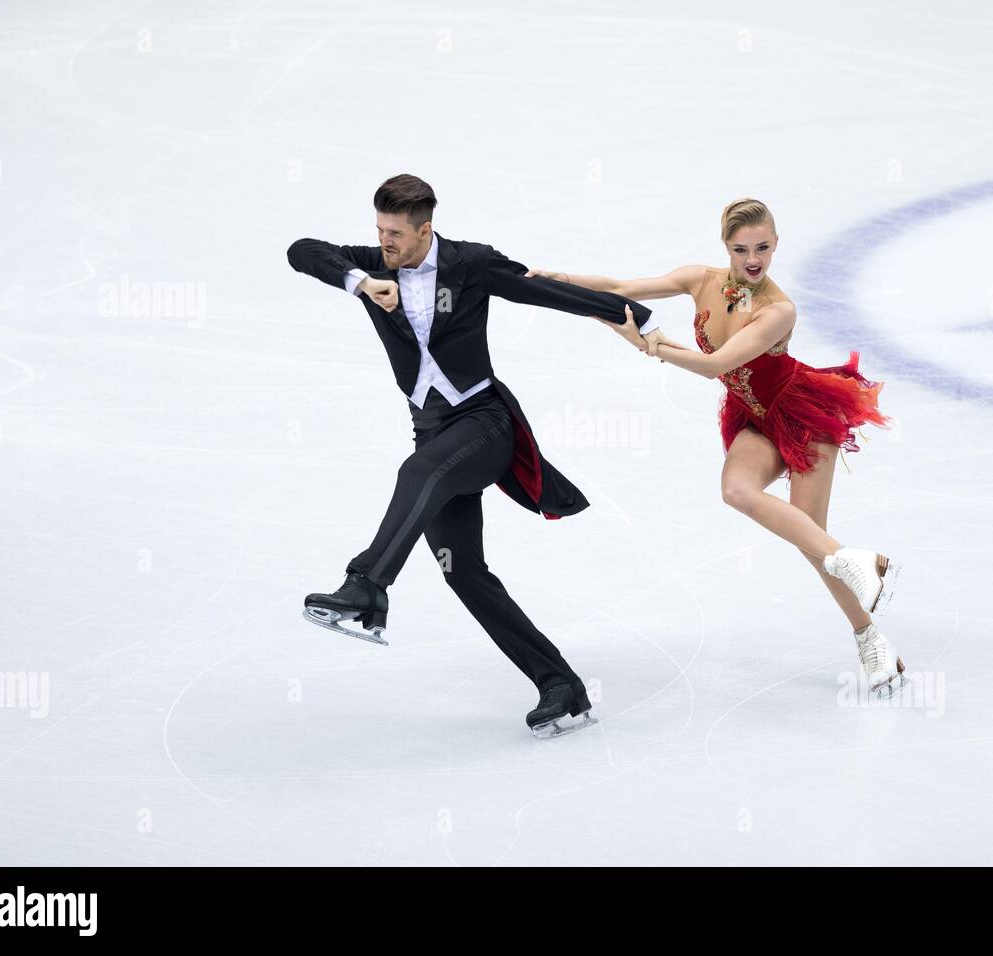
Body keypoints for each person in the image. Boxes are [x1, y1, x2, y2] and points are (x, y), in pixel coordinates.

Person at [286, 173, 668, 736]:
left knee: (418, 472)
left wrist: (628, 312)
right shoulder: (374, 267)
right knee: (462, 570)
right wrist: (361, 282)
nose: (386, 241)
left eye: (395, 233)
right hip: (433, 432)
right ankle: (560, 685)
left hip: (484, 424)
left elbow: (543, 292)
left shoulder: (470, 264)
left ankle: (367, 585)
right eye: (379, 230)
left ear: (425, 229)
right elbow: (301, 252)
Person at [528, 198, 906, 697]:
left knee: (812, 540)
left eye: (763, 248)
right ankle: (857, 562)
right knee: (737, 491)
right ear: (725, 246)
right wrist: (562, 280)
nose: (753, 259)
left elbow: (714, 365)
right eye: (741, 248)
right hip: (752, 413)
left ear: (776, 244)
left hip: (802, 414)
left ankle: (869, 637)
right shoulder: (698, 279)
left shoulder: (779, 310)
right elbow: (621, 289)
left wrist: (648, 343)